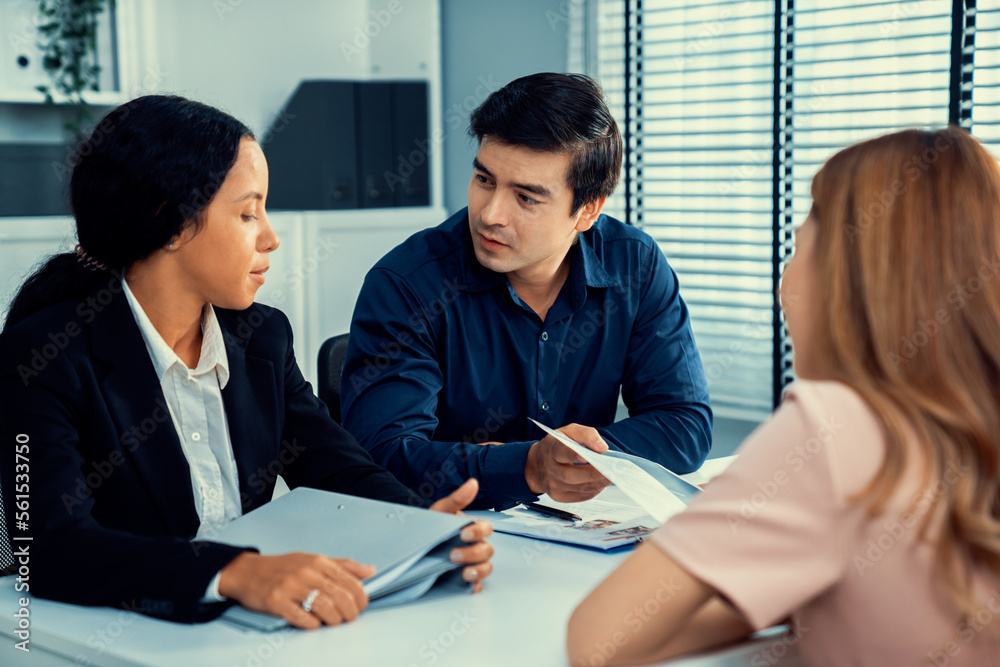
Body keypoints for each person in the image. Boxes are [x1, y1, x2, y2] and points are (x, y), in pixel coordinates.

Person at [0, 95, 493, 628]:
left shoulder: (262, 337)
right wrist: (232, 573)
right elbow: (46, 546)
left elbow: (334, 466)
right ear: (170, 223)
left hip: (251, 632)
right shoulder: (45, 355)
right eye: (247, 212)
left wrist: (417, 524)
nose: (271, 238)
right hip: (126, 636)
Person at [566, 127, 1000, 665]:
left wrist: (773, 589)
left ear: (846, 280)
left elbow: (596, 638)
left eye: (797, 248)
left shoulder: (837, 428)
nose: (784, 282)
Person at [341, 73, 712, 510]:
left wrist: (574, 461)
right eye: (484, 180)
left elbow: (685, 424)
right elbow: (382, 458)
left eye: (526, 198)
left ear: (588, 210)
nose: (490, 214)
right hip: (452, 538)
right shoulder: (407, 284)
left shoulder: (634, 264)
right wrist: (531, 468)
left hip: (580, 534)